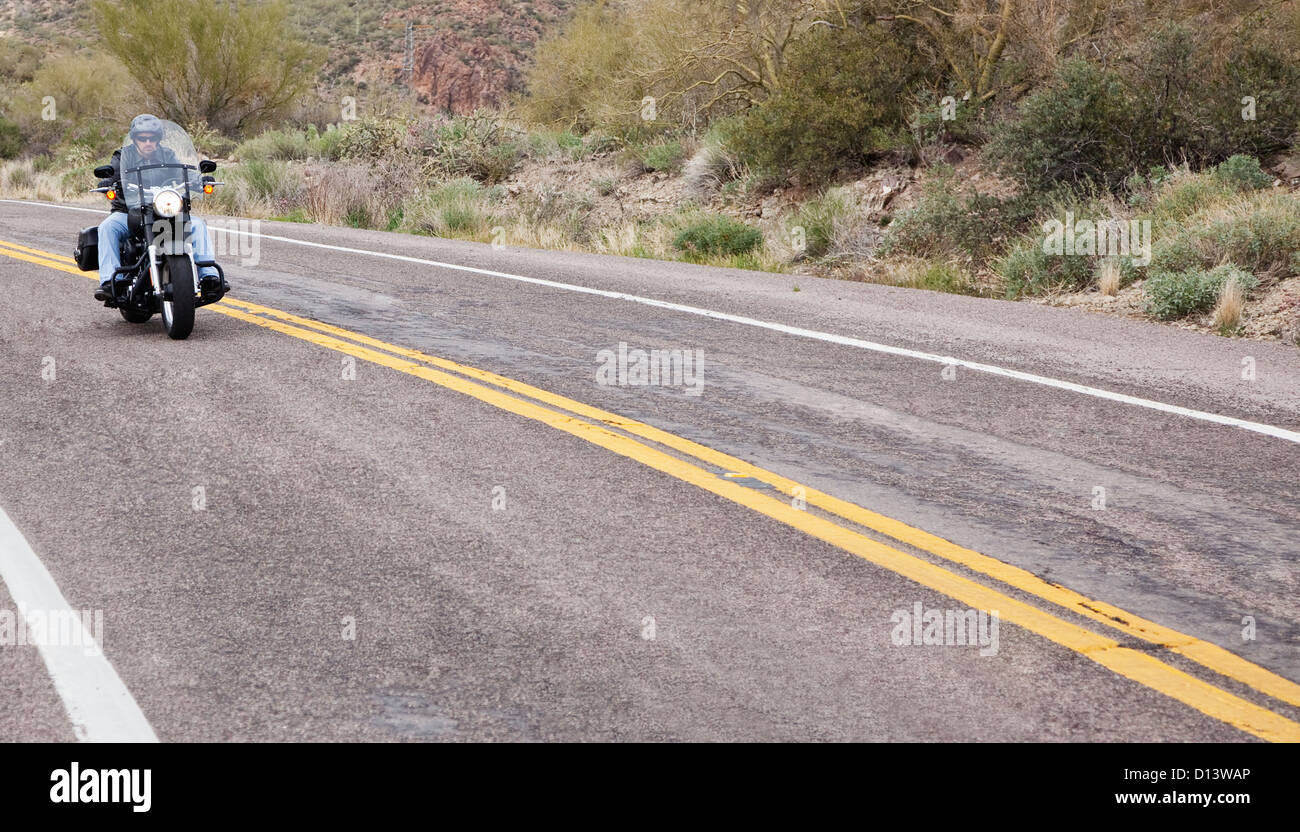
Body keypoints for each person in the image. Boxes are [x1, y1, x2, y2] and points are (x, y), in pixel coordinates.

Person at [94, 114, 225, 301]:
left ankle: (209, 277)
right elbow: (115, 173)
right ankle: (110, 282)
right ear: (134, 139)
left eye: (152, 138)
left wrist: (198, 180)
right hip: (129, 212)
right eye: (143, 138)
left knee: (197, 225)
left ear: (158, 139)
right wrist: (109, 182)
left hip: (164, 210)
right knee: (108, 227)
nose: (148, 142)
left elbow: (181, 173)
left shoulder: (167, 154)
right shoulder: (123, 156)